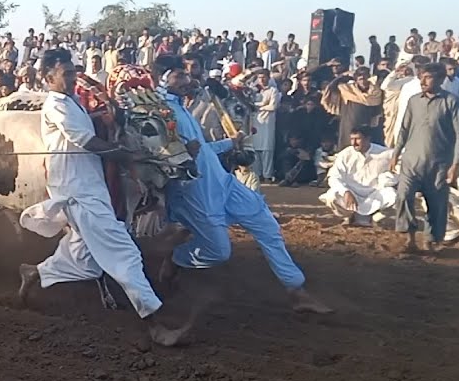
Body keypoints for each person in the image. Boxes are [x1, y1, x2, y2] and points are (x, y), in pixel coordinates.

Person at [16, 49, 189, 346]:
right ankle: (156, 326)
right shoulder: (56, 106)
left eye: (73, 71)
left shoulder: (72, 102)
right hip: (78, 191)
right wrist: (127, 156)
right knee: (125, 254)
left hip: (89, 188)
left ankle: (34, 272)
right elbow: (87, 141)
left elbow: (90, 131)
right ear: (48, 78)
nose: (72, 78)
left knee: (85, 261)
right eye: (66, 74)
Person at [157, 65, 332, 313]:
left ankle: (296, 290)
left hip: (224, 182)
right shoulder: (161, 113)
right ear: (164, 80)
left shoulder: (182, 106)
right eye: (179, 76)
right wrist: (187, 152)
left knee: (267, 224)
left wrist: (230, 142)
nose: (186, 80)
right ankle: (177, 259)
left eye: (187, 76)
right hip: (197, 192)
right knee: (218, 252)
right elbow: (164, 155)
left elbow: (203, 151)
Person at [390, 63, 459, 252]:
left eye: (428, 77)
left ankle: (430, 240)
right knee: (403, 196)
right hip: (411, 161)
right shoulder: (414, 100)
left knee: (436, 203)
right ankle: (409, 238)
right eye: (421, 76)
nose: (422, 81)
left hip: (439, 163)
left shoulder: (451, 101)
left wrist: (455, 164)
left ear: (440, 80)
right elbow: (404, 129)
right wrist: (396, 153)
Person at [319, 129, 396, 226]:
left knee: (394, 196)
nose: (354, 143)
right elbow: (334, 176)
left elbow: (399, 168)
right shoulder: (345, 154)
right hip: (352, 193)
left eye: (358, 139)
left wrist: (387, 180)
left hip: (374, 194)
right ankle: (349, 216)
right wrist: (345, 191)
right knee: (332, 196)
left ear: (368, 139)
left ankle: (376, 218)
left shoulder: (385, 153)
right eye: (352, 139)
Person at [248, 69, 279, 181]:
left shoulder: (273, 91)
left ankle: (267, 175)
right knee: (255, 149)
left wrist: (257, 106)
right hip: (256, 122)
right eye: (259, 77)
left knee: (267, 150)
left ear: (269, 77)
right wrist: (262, 105)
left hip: (267, 123)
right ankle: (257, 174)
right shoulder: (253, 91)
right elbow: (248, 103)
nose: (262, 80)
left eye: (264, 77)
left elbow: (273, 107)